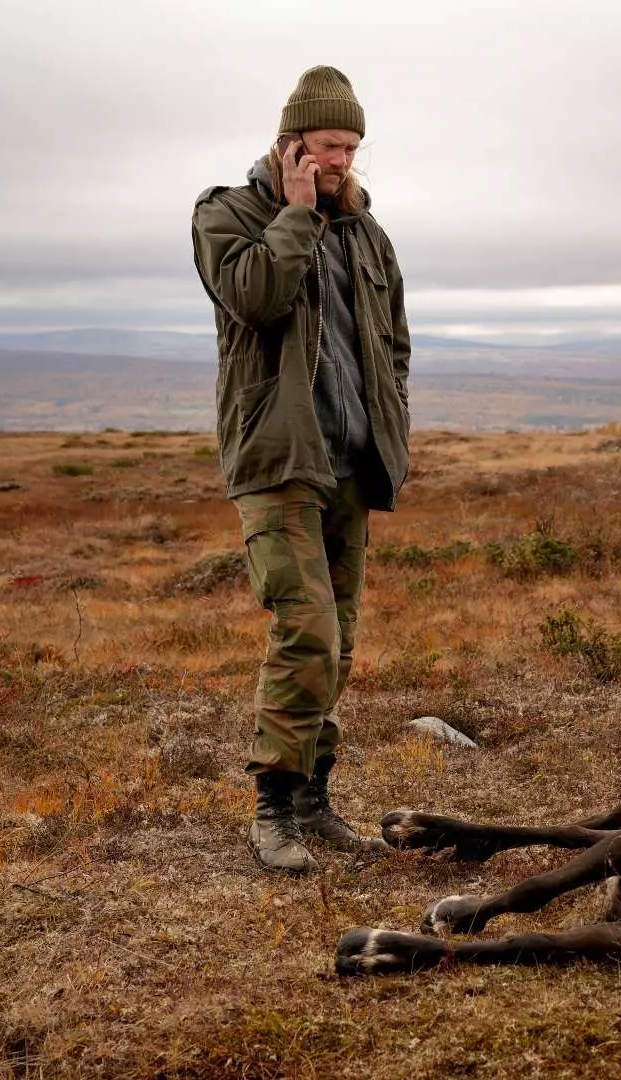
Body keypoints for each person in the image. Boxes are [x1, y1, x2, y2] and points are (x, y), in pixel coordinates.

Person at [190, 65, 411, 874]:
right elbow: (253, 296)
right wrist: (295, 215)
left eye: (352, 147)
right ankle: (273, 810)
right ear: (292, 143)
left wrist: (393, 428)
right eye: (328, 145)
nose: (343, 160)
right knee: (307, 630)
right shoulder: (228, 213)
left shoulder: (367, 232)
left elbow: (392, 344)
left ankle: (315, 800)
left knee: (340, 640)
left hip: (350, 462)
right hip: (278, 459)